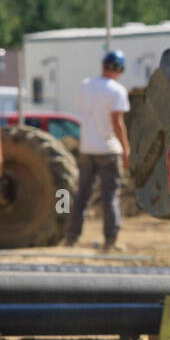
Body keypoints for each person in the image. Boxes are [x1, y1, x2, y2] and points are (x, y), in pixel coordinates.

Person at [65, 49, 131, 252]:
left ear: (103, 65)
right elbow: (117, 123)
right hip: (108, 150)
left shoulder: (85, 86)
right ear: (120, 69)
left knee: (82, 195)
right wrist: (126, 150)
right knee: (110, 196)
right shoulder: (117, 91)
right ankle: (110, 241)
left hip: (87, 148)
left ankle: (71, 239)